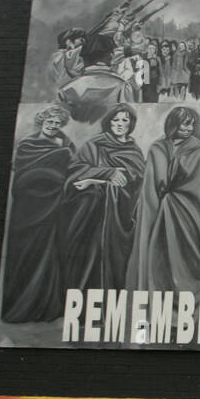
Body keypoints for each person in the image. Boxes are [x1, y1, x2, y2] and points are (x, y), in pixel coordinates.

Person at [0, 104, 77, 323]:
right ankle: (22, 308)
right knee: (28, 256)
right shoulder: (28, 145)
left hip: (55, 208)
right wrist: (61, 156)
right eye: (49, 122)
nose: (53, 126)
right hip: (30, 211)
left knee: (51, 254)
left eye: (57, 122)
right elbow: (26, 176)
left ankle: (49, 307)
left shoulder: (67, 144)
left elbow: (73, 170)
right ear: (41, 122)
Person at [61, 103, 145, 293]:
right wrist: (107, 173)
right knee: (91, 259)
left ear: (131, 123)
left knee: (117, 262)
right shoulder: (94, 144)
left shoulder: (134, 149)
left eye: (125, 120)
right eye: (116, 120)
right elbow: (74, 173)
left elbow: (140, 179)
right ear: (109, 122)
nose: (120, 124)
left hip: (121, 217)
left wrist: (126, 175)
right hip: (93, 217)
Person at [127, 107, 200, 293]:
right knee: (157, 254)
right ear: (173, 124)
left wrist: (171, 190)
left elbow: (197, 184)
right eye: (185, 124)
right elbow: (153, 182)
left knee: (185, 255)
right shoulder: (157, 148)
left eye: (192, 124)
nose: (189, 128)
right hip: (156, 209)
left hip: (184, 208)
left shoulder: (196, 149)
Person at [57, 32, 135, 123]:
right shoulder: (122, 86)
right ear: (111, 56)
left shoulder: (65, 90)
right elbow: (128, 114)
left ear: (83, 58)